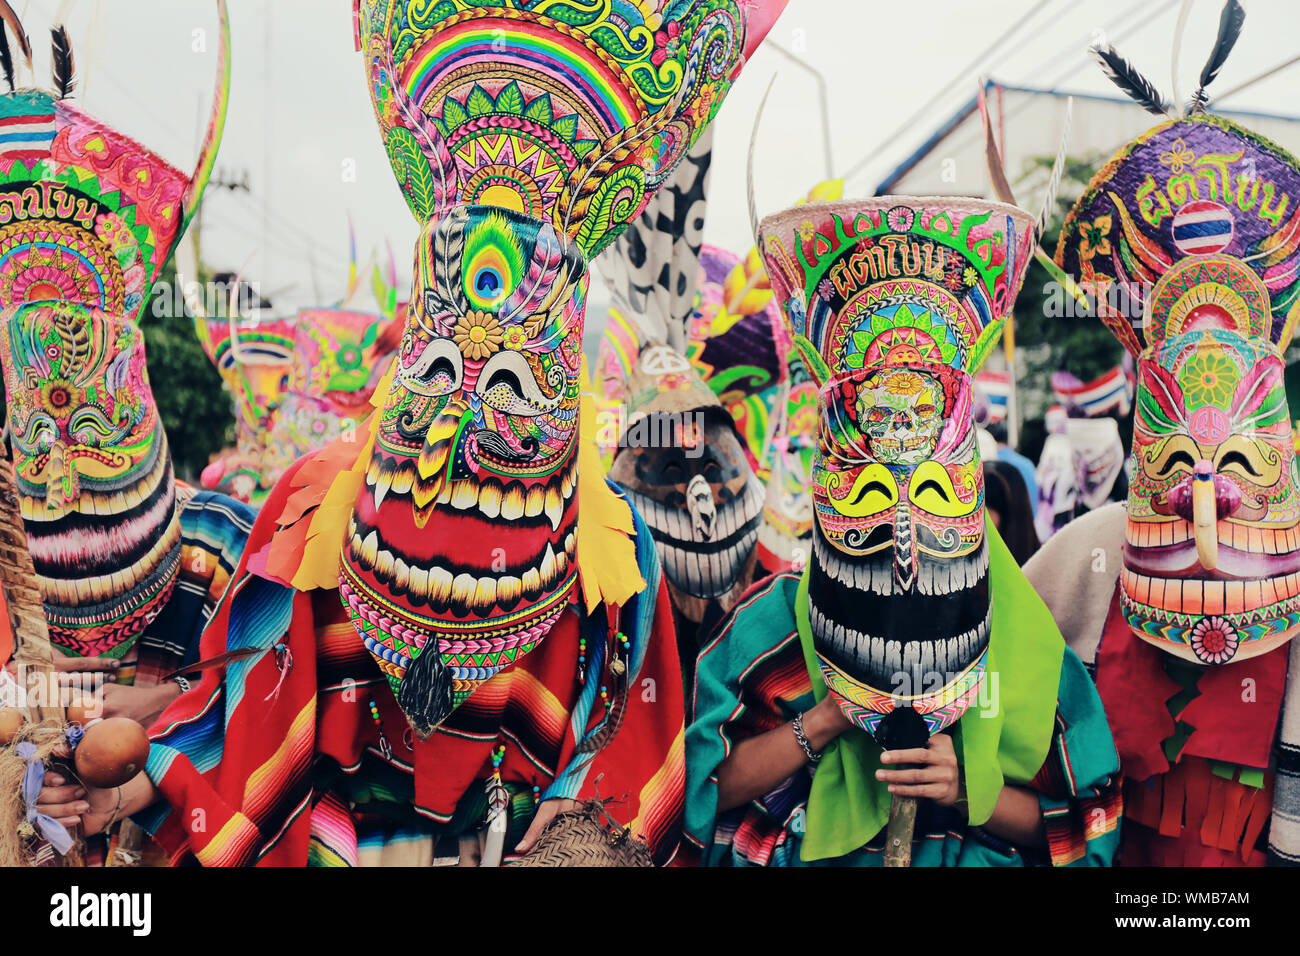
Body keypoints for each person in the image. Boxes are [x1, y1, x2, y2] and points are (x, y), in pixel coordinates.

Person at [39, 0, 789, 866]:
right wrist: (130, 787)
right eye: (441, 369)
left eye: (510, 373)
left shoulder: (617, 552)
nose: (460, 417)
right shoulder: (318, 503)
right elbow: (252, 715)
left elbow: (619, 761)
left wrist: (572, 837)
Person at [685, 195, 1121, 866]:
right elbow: (704, 788)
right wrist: (825, 719)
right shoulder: (773, 619)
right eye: (870, 491)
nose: (904, 535)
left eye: (931, 494)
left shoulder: (1021, 632)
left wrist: (969, 787)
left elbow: (1088, 824)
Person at [1028, 6, 1300, 865]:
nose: (1209, 495)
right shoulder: (1090, 556)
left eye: (1240, 458)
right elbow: (995, 673)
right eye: (1180, 454)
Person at [0, 3, 254, 865]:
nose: (65, 467)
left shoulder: (222, 543)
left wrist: (143, 774)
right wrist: (26, 778)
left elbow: (269, 707)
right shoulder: (5, 547)